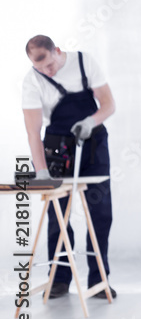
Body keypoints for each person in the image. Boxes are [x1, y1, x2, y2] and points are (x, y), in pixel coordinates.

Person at [22, 35, 117, 299]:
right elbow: (33, 132)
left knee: (100, 213)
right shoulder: (32, 80)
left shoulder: (84, 62)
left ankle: (99, 280)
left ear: (57, 52)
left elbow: (109, 105)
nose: (46, 72)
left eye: (49, 66)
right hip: (57, 151)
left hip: (93, 145)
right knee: (58, 216)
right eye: (39, 68)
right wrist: (41, 172)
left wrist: (90, 121)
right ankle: (59, 279)